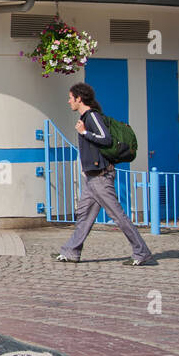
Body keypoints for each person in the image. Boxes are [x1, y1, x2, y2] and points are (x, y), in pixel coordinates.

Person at [58, 82, 153, 266]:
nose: (69, 101)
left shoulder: (92, 116)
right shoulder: (86, 117)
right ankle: (71, 251)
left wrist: (84, 132)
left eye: (71, 97)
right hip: (93, 177)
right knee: (84, 215)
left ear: (79, 98)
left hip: (101, 177)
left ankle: (141, 252)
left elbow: (105, 139)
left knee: (117, 215)